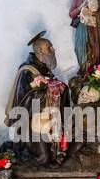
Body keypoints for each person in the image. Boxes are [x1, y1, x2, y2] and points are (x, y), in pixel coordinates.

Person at [4, 31, 71, 165]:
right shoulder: (27, 71)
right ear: (40, 51)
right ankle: (13, 153)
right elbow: (25, 101)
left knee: (57, 155)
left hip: (48, 121)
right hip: (31, 123)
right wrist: (46, 90)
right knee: (42, 158)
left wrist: (60, 88)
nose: (53, 50)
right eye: (49, 48)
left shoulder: (45, 70)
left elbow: (55, 93)